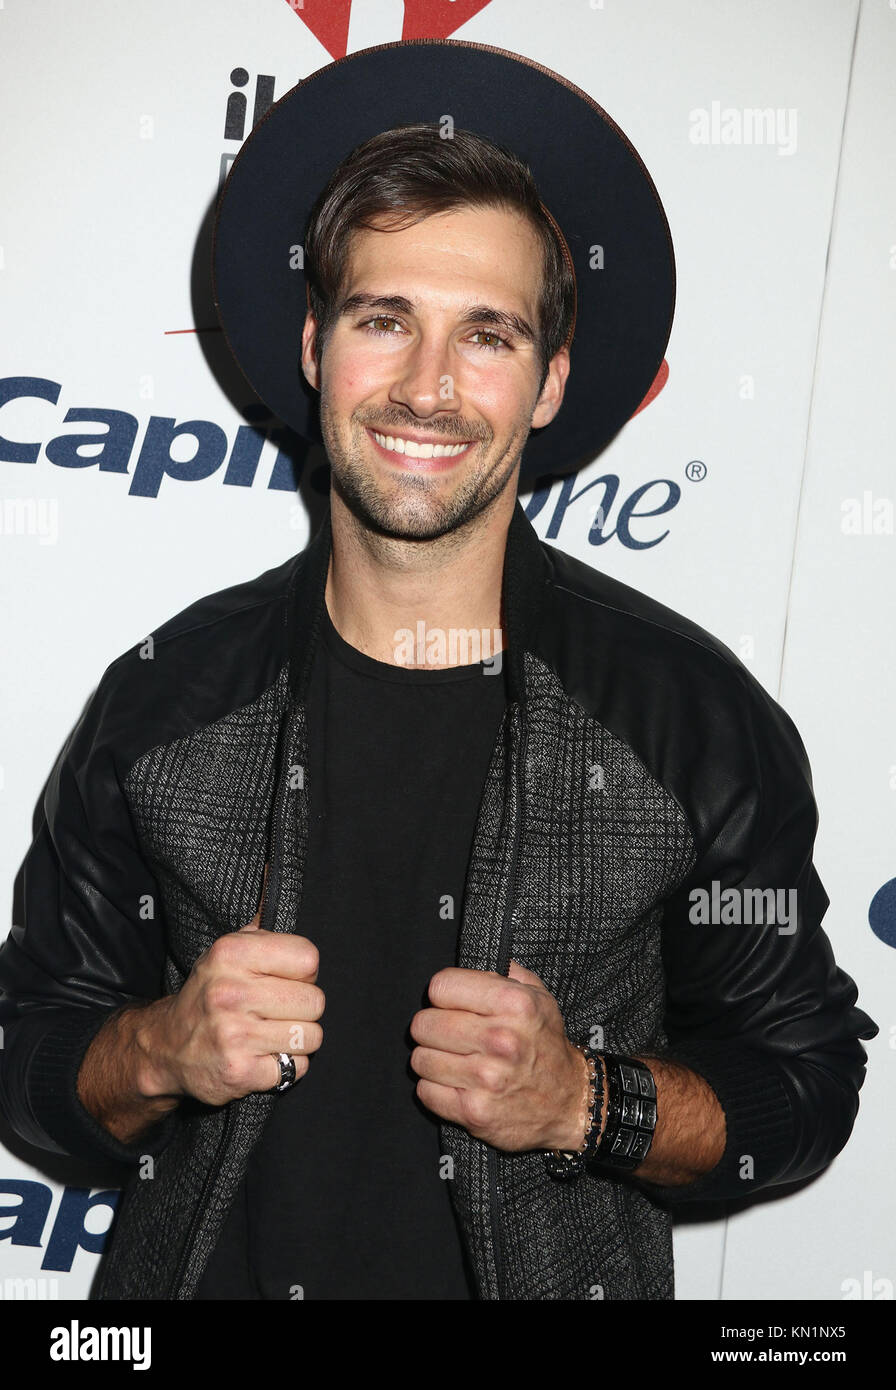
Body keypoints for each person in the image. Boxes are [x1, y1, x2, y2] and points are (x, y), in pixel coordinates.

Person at [0, 40, 876, 1302]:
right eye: (382, 319)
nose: (426, 387)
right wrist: (158, 1049)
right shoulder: (161, 700)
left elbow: (800, 1084)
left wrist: (585, 1099)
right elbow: (38, 1062)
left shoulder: (691, 721)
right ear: (314, 345)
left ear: (550, 381)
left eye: (487, 335)